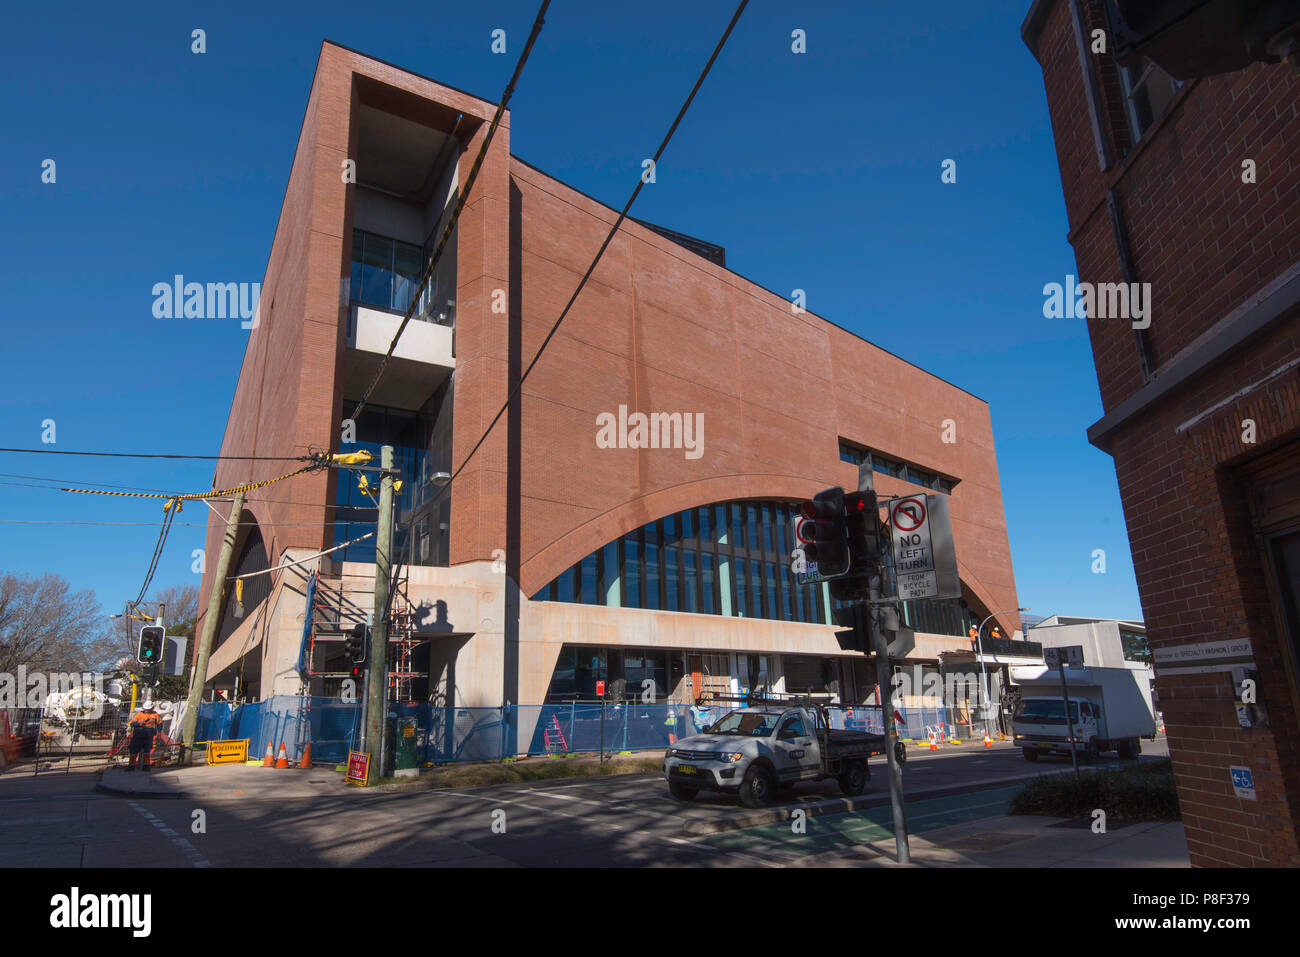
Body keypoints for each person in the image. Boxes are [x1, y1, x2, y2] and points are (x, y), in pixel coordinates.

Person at [126, 698, 161, 772]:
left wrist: (158, 733)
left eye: (148, 709)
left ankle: (146, 766)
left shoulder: (155, 715)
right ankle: (131, 766)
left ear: (152, 708)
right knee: (134, 751)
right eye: (146, 709)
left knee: (147, 752)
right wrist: (138, 724)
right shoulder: (139, 715)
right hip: (138, 735)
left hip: (148, 736)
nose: (147, 710)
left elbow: (159, 724)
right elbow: (132, 724)